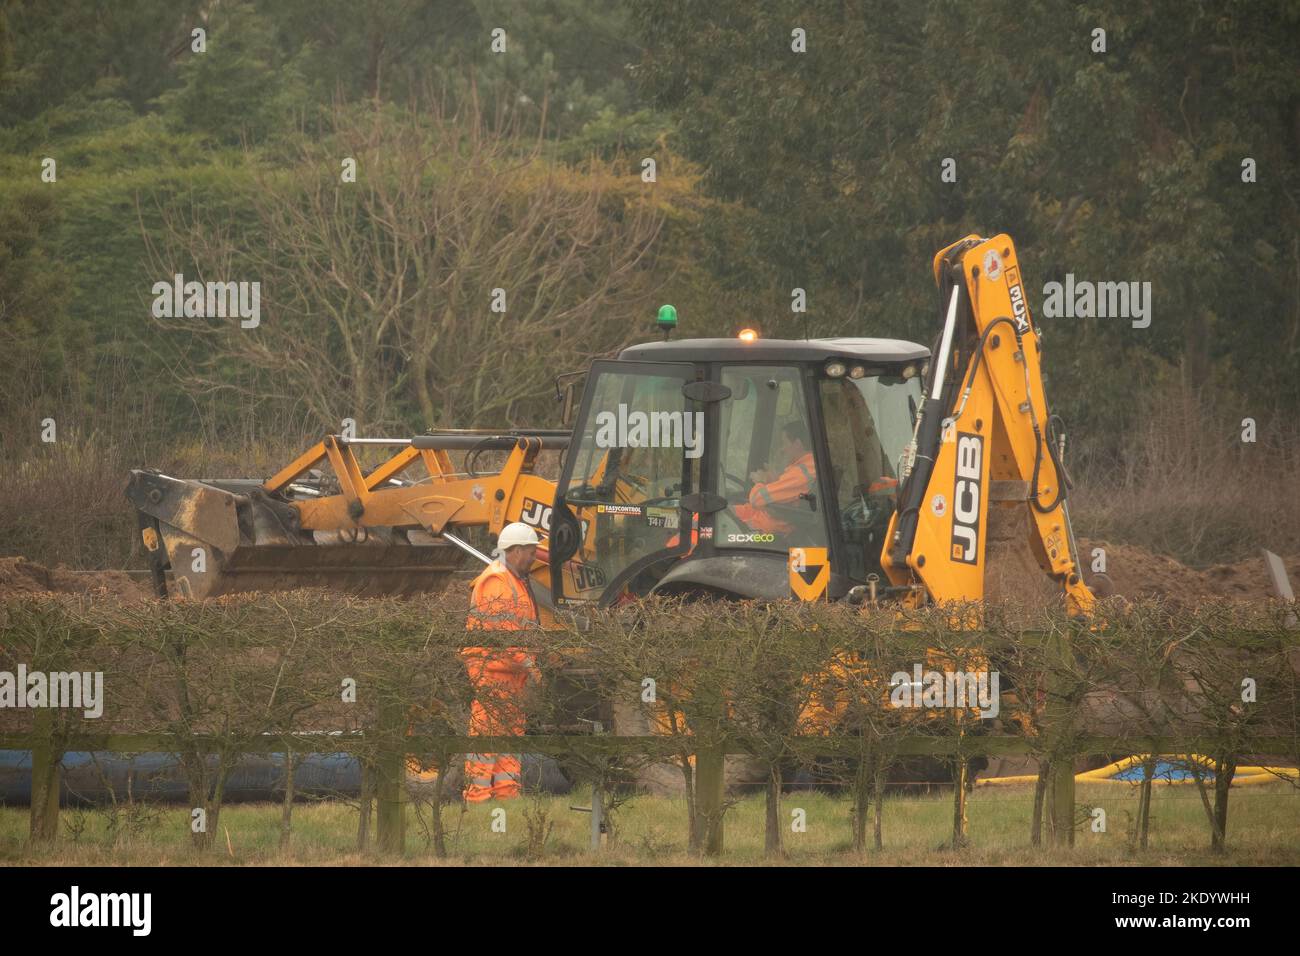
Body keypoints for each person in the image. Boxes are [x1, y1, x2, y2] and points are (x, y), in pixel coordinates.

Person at [462, 522, 542, 803]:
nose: (534, 557)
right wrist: (529, 665)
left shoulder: (512, 580)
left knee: (509, 737)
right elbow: (504, 634)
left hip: (508, 672)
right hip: (493, 672)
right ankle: (478, 797)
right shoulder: (497, 581)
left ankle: (506, 795)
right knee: (487, 735)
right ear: (516, 550)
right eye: (531, 551)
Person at [734, 422, 817, 534]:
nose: (783, 449)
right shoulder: (806, 467)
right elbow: (786, 490)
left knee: (723, 525)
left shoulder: (801, 473)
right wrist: (773, 479)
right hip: (768, 516)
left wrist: (760, 480)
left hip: (767, 528)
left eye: (784, 443)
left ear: (797, 444)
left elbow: (756, 499)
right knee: (727, 511)